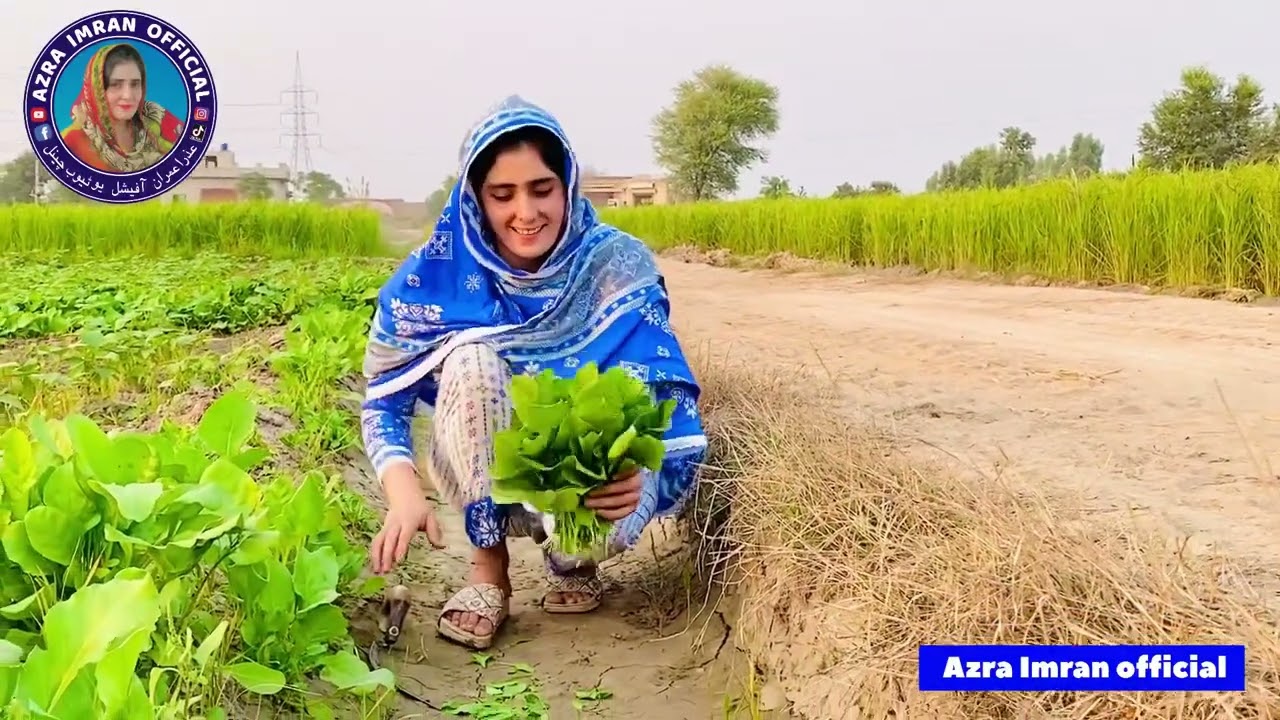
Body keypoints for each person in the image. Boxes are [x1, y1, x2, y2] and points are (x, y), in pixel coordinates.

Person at [360, 96, 707, 651]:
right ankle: (489, 569)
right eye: (503, 195)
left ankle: (571, 562)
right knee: (470, 359)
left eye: (541, 189)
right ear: (476, 201)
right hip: (486, 461)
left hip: (588, 487)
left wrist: (636, 470)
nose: (526, 212)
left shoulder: (618, 263)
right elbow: (383, 402)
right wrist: (404, 495)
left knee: (601, 497)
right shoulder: (438, 274)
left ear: (565, 184)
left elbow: (658, 389)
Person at [60, 43, 183, 173]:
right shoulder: (71, 143)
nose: (128, 95)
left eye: (135, 84)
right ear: (96, 89)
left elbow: (195, 144)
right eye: (115, 85)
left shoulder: (156, 118)